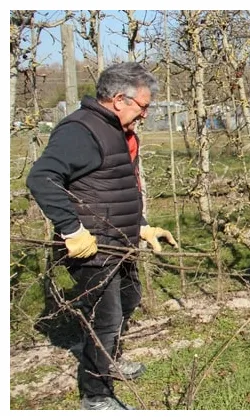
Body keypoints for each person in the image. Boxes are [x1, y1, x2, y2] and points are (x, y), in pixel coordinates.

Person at [26, 62, 178, 410]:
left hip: (119, 242)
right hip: (93, 248)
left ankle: (108, 361)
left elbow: (110, 186)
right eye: (143, 106)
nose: (145, 113)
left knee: (128, 299)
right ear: (118, 99)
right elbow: (42, 178)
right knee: (105, 319)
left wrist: (140, 225)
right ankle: (95, 396)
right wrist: (72, 229)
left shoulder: (114, 130)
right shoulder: (81, 130)